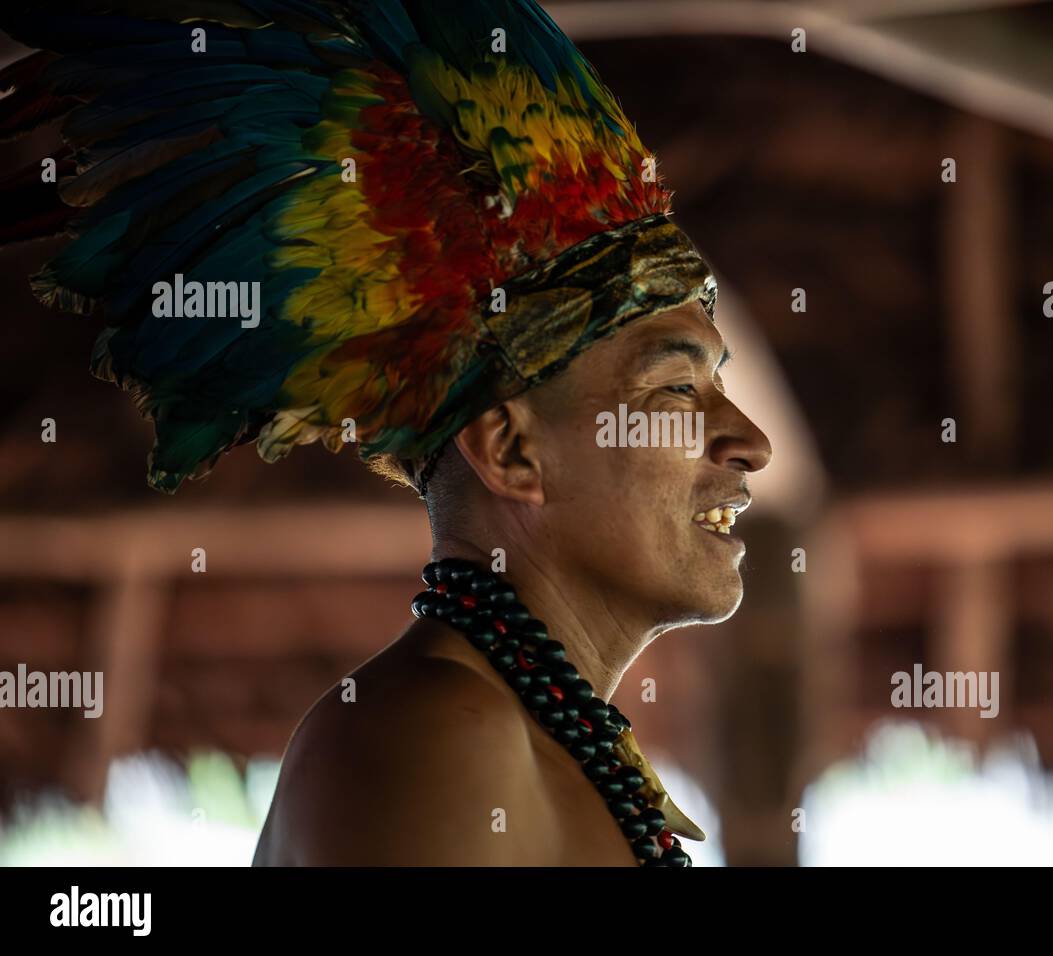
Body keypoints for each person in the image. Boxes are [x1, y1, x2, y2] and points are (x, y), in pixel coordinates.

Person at [1, 0, 770, 865]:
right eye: (676, 387)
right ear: (513, 452)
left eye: (717, 384)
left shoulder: (505, 734)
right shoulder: (437, 732)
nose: (750, 442)